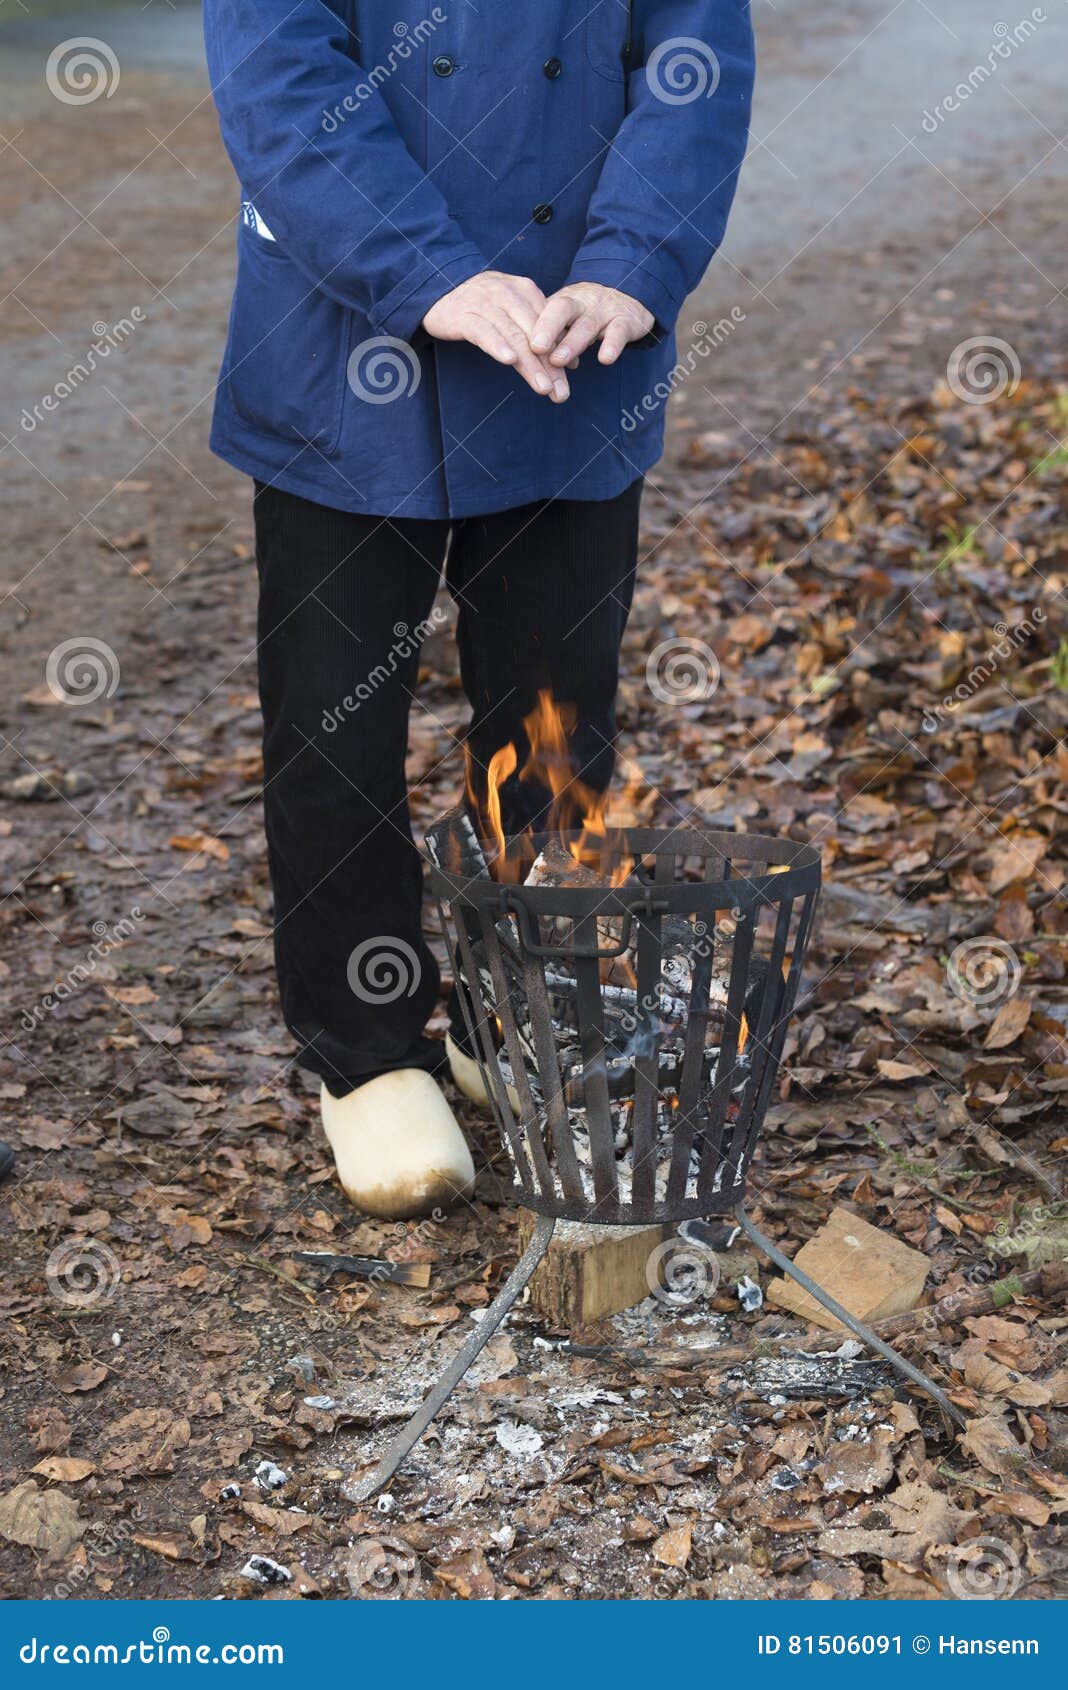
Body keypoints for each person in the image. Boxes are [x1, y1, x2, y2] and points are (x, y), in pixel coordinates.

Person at [203, 1, 755, 1218]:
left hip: (575, 334)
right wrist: (429, 271)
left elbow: (691, 58)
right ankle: (367, 1053)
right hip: (342, 342)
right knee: (334, 729)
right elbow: (278, 74)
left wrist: (634, 260)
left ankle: (520, 1010)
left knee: (555, 711)